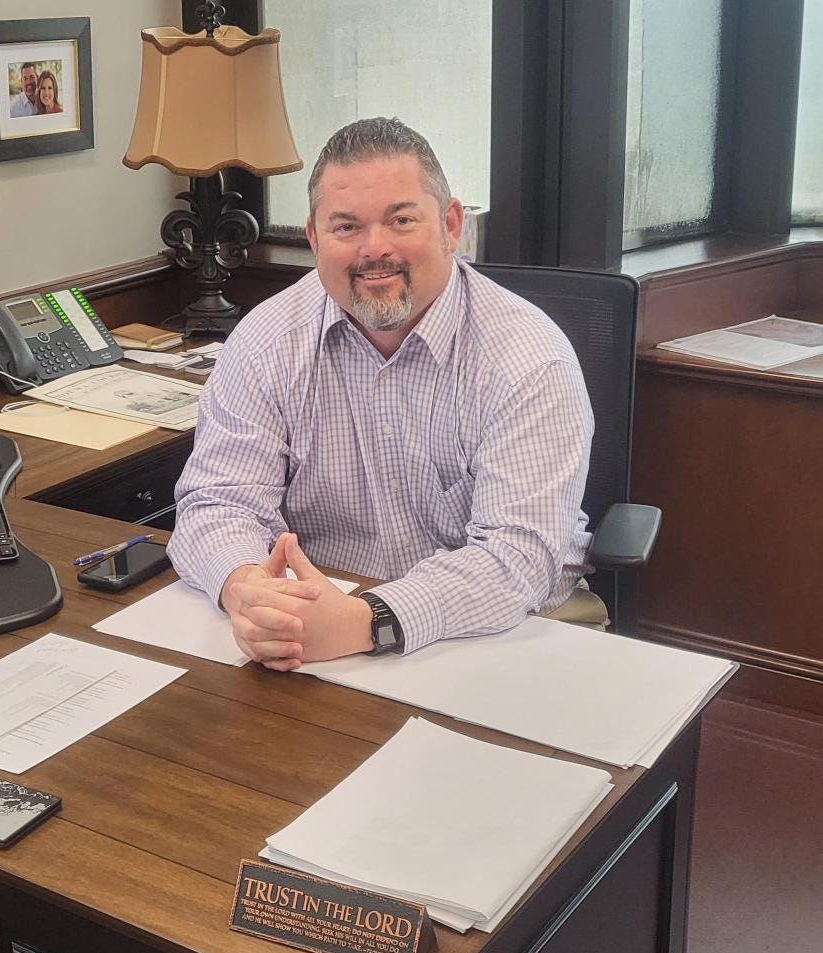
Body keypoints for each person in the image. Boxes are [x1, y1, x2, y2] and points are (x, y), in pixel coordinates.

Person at [168, 116, 594, 669]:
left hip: (502, 631)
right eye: (346, 227)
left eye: (401, 220)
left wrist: (369, 619)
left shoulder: (528, 358)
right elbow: (217, 501)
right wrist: (248, 588)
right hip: (316, 624)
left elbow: (518, 559)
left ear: (450, 225)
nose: (375, 249)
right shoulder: (268, 340)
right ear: (315, 237)